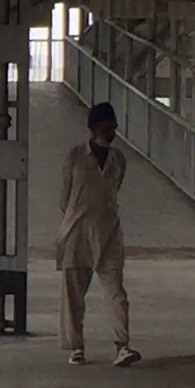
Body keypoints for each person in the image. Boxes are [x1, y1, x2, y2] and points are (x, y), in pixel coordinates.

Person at [57, 102, 141, 367]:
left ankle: (122, 346)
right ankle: (76, 347)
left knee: (116, 291)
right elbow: (64, 198)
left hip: (109, 233)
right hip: (76, 233)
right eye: (108, 124)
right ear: (94, 127)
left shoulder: (118, 159)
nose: (113, 128)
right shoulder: (74, 157)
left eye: (114, 124)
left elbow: (114, 190)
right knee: (73, 294)